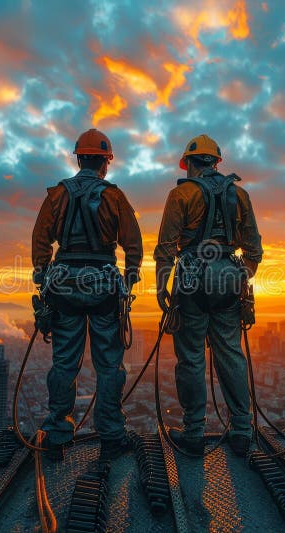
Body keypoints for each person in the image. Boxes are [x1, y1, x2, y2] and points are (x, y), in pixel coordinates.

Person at [31, 128, 142, 461]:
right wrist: (129, 279)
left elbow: (41, 240)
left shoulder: (57, 195)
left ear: (79, 159)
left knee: (64, 362)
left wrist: (43, 277)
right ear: (105, 163)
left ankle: (57, 434)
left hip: (64, 285)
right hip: (103, 286)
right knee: (109, 365)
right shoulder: (114, 196)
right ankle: (111, 435)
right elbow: (133, 244)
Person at [154, 134, 263, 457]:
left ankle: (194, 432)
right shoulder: (239, 195)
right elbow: (253, 249)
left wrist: (162, 286)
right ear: (216, 163)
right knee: (230, 353)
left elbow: (166, 247)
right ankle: (242, 430)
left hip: (192, 279)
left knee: (191, 357)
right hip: (229, 277)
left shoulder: (181, 194)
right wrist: (240, 278)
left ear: (189, 164)